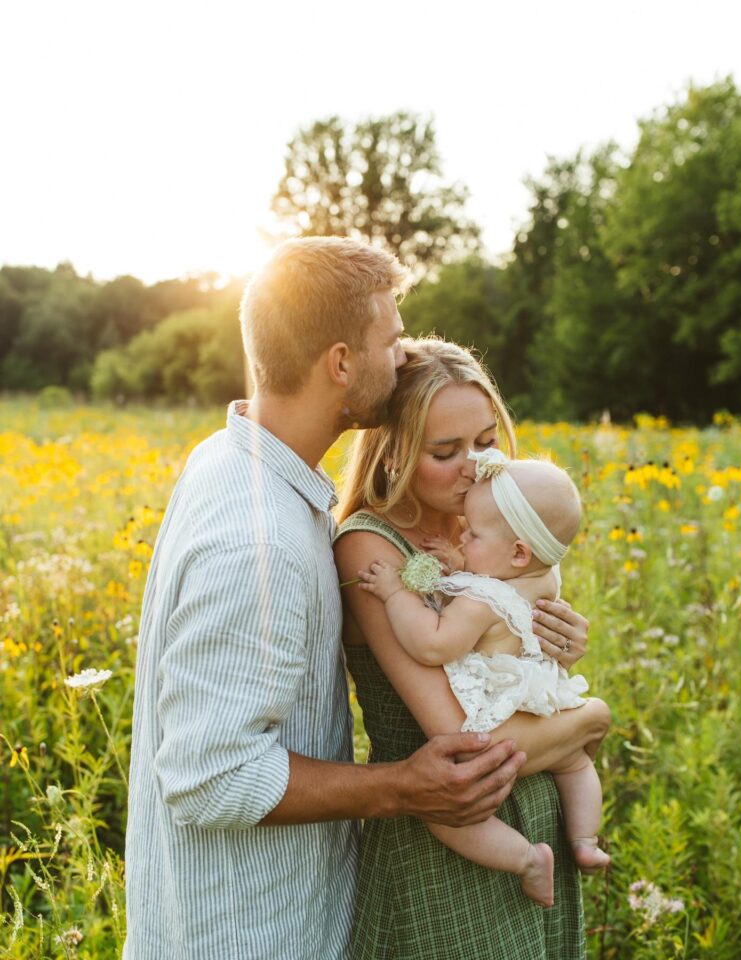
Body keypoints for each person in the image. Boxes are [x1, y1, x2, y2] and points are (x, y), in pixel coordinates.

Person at [123, 239, 528, 960]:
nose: (404, 357)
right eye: (391, 339)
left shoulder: (233, 464)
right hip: (249, 936)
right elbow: (210, 777)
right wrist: (402, 787)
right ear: (340, 363)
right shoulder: (258, 542)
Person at [334, 337, 611, 959]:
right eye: (445, 450)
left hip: (538, 822)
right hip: (450, 839)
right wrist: (591, 718)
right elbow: (467, 737)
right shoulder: (369, 546)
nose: (474, 466)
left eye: (486, 441)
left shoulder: (491, 530)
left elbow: (512, 657)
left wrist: (560, 648)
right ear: (393, 451)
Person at [357, 451, 611, 908]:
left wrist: (396, 592)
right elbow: (498, 574)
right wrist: (464, 557)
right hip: (543, 702)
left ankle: (528, 859)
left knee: (444, 815)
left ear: (516, 551)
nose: (463, 537)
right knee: (575, 764)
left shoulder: (483, 599)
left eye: (471, 534)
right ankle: (586, 839)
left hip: (495, 719)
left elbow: (432, 644)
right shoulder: (544, 576)